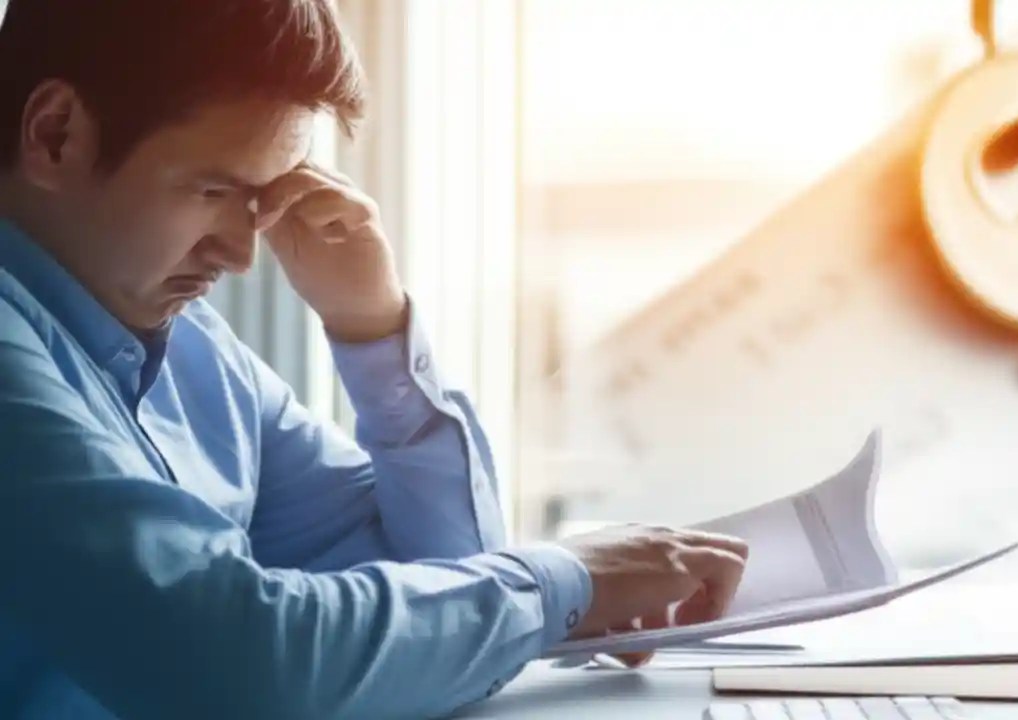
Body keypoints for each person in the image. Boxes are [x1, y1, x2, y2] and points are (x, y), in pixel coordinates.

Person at [0, 1, 748, 718]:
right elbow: (238, 664)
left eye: (264, 202)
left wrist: (373, 328)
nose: (242, 253)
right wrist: (568, 581)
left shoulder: (190, 350)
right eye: (214, 190)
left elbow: (437, 569)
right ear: (57, 134)